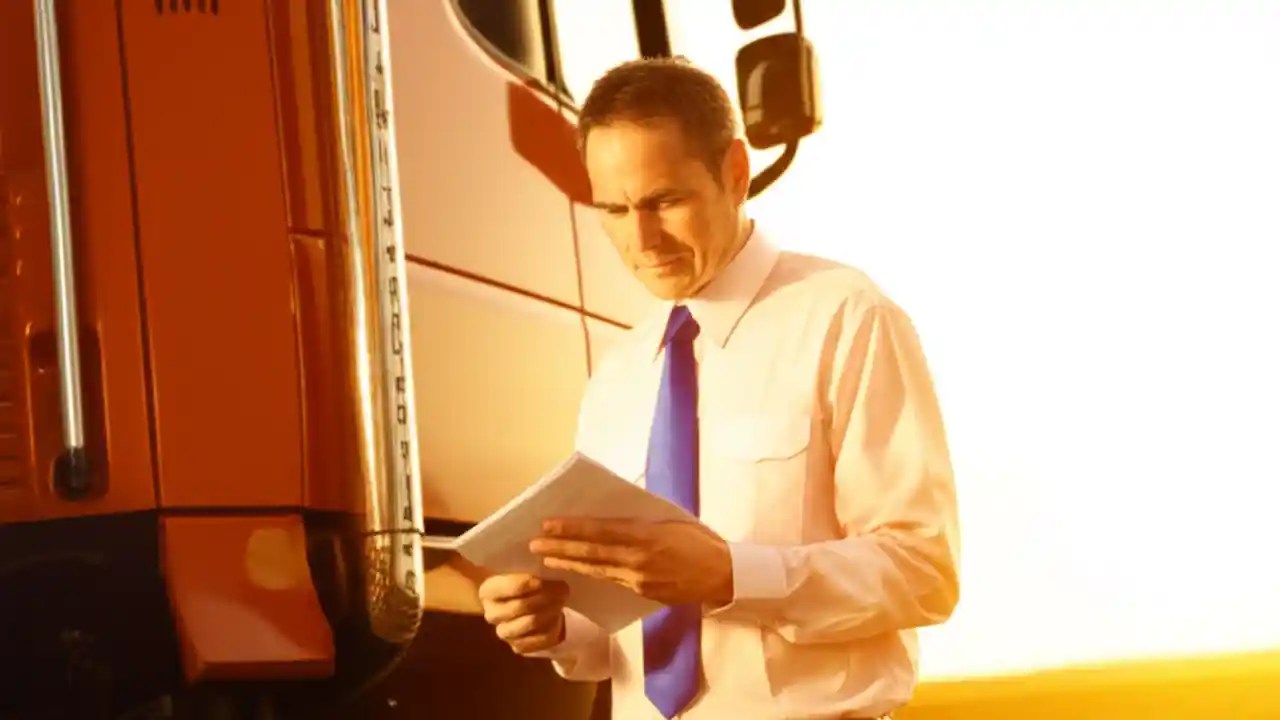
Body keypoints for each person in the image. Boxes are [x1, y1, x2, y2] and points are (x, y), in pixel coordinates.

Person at [478, 57, 960, 720]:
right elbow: (620, 639)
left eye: (664, 202)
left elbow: (924, 571)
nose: (640, 239)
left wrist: (731, 574)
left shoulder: (845, 317)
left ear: (736, 173)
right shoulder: (618, 375)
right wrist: (556, 628)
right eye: (612, 209)